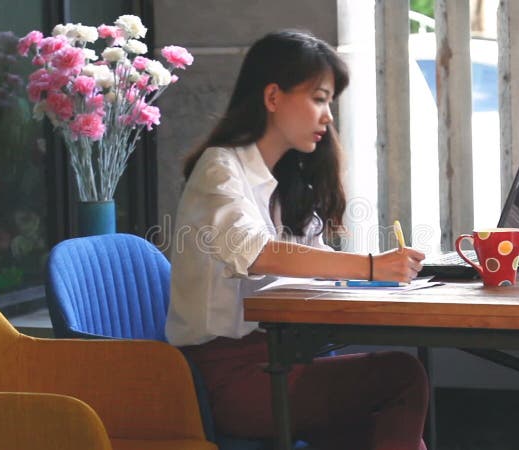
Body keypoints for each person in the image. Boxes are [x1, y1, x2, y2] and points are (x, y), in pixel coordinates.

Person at [166, 29, 429, 450]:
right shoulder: (220, 169)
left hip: (281, 360)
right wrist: (370, 266)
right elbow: (258, 254)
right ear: (273, 97)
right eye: (319, 98)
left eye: (330, 102)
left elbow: (315, 263)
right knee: (402, 376)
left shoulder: (285, 180)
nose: (328, 116)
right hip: (228, 382)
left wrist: (389, 275)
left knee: (382, 424)